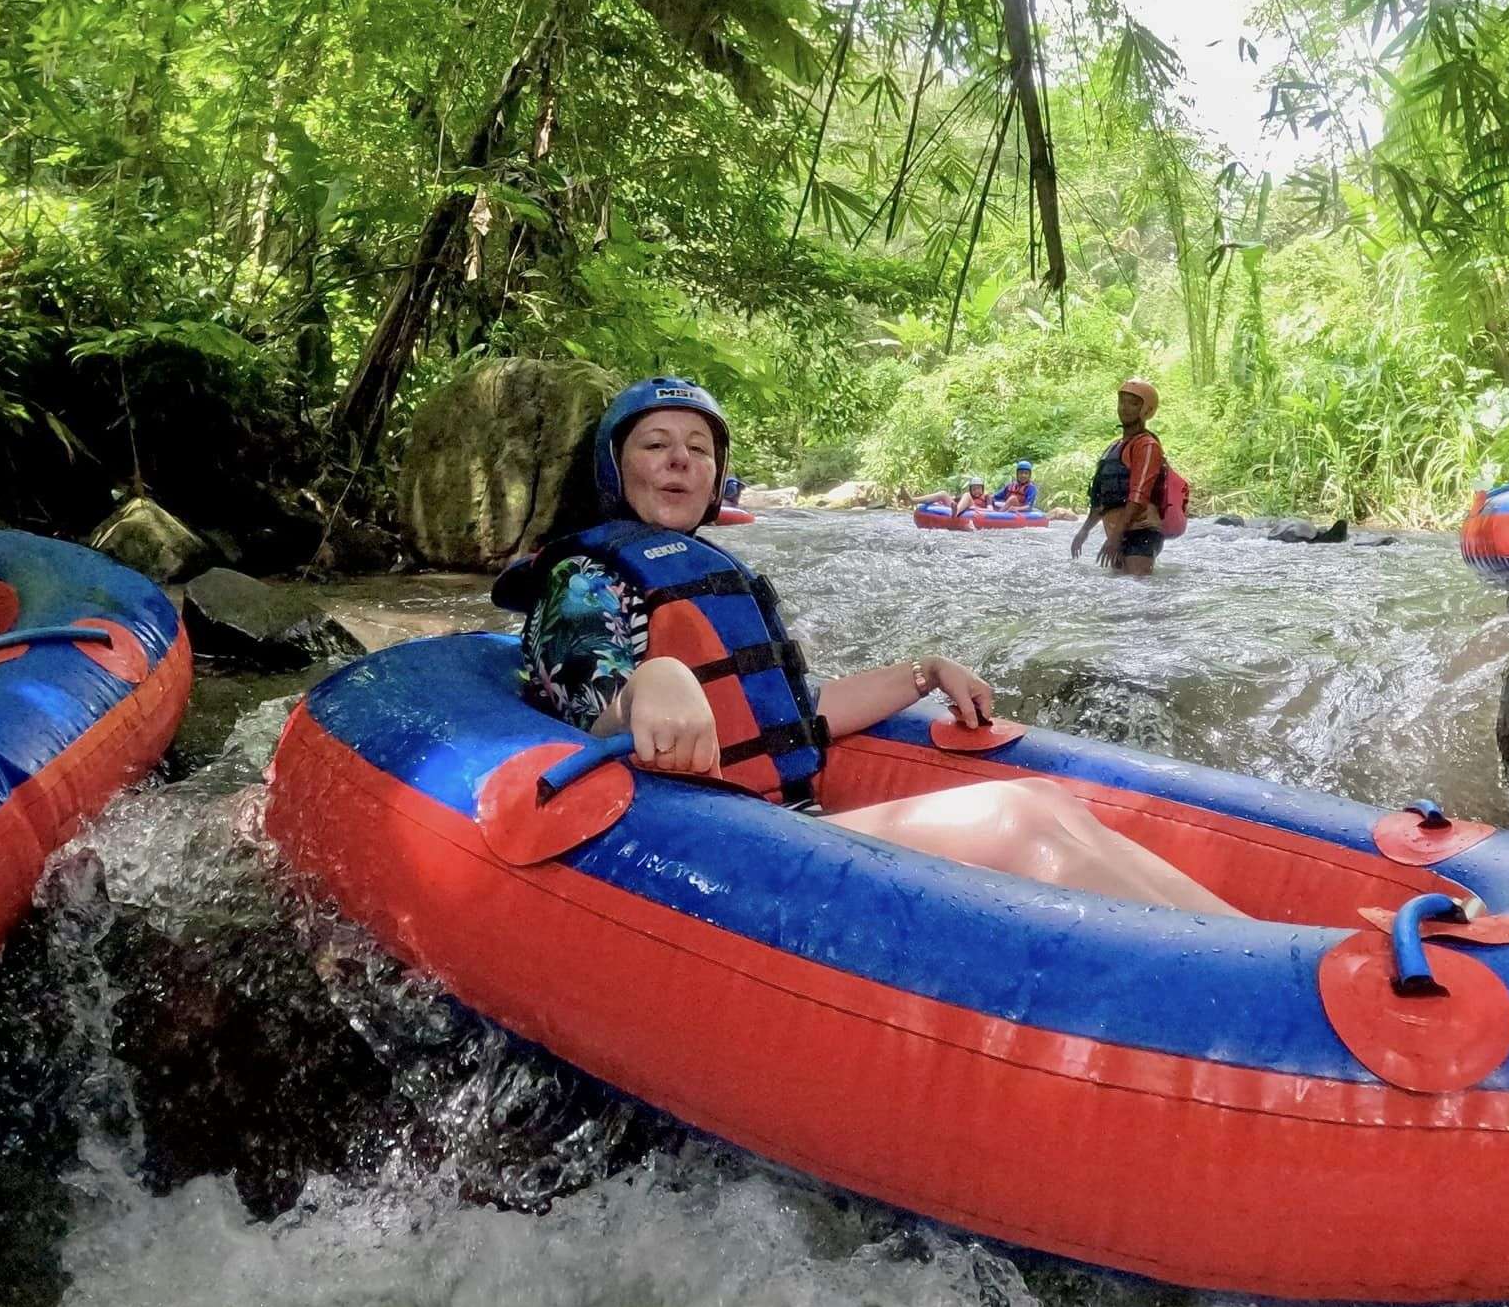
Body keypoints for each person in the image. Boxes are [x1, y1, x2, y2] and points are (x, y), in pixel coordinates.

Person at [500, 378, 1238, 916]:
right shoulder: (586, 579)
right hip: (692, 848)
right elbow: (582, 719)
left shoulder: (715, 574)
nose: (680, 461)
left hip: (773, 824)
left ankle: (1262, 955)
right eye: (655, 445)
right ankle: (1273, 991)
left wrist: (924, 671)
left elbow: (797, 717)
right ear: (615, 467)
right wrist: (650, 682)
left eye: (698, 448)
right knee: (1018, 820)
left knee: (1045, 800)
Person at [1072, 377, 1167, 578]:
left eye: (1133, 403)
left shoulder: (1147, 446)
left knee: (1137, 587)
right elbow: (1103, 498)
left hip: (1142, 530)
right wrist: (1084, 531)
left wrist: (1116, 537)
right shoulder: (1113, 447)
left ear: (1147, 410)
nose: (1125, 407)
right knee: (1121, 587)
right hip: (1118, 532)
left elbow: (1139, 496)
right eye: (1122, 401)